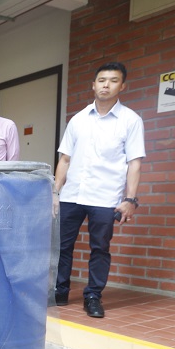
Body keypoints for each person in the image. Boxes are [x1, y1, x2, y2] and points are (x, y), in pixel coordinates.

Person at [54, 61, 145, 319]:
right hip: (72, 195)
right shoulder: (78, 120)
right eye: (102, 80)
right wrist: (55, 192)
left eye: (113, 80)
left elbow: (134, 163)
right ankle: (59, 291)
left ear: (122, 86)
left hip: (105, 198)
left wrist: (130, 199)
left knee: (100, 248)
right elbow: (65, 159)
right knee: (62, 246)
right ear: (93, 84)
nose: (106, 85)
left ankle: (93, 295)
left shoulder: (130, 121)